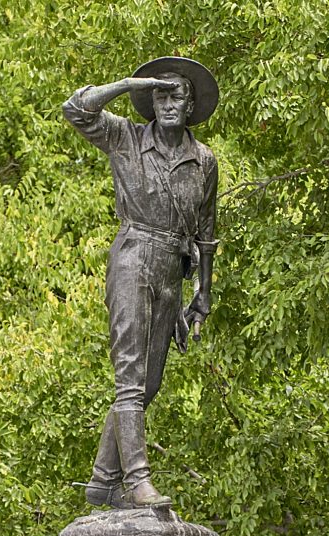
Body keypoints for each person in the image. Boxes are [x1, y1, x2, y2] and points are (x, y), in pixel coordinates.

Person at [63, 57, 219, 508]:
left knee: (148, 384)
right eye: (159, 95)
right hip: (133, 257)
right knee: (129, 380)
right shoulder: (125, 137)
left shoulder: (204, 160)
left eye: (176, 95)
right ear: (150, 101)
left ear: (191, 105)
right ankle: (137, 481)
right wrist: (129, 83)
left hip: (172, 268)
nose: (167, 103)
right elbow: (76, 108)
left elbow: (207, 232)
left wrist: (203, 292)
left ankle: (102, 480)